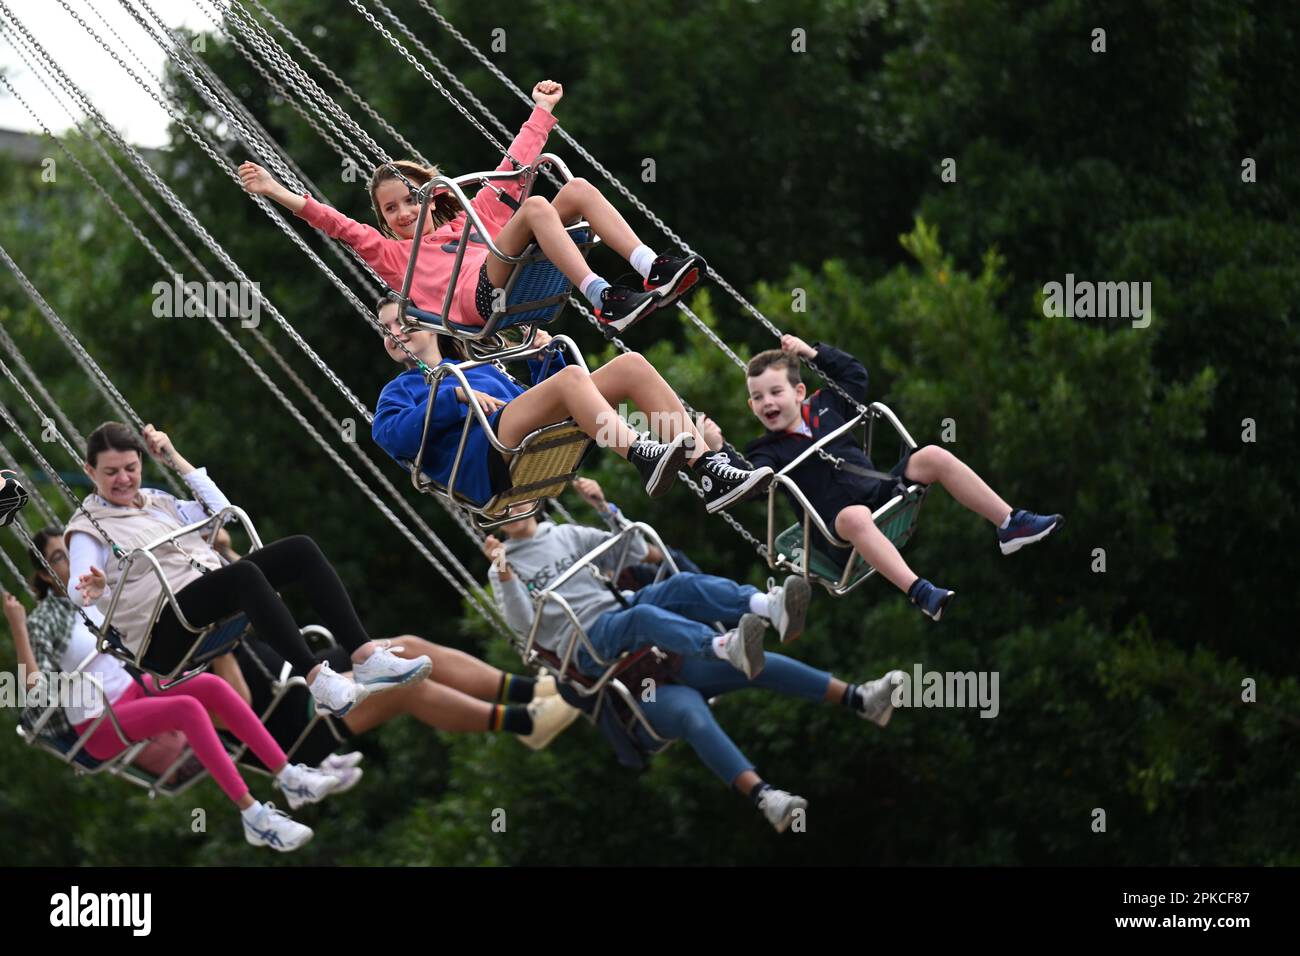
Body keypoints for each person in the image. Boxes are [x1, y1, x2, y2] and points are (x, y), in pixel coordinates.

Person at [483, 510, 904, 832]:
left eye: (516, 499)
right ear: (492, 518)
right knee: (689, 712)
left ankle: (843, 682)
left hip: (658, 647)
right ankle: (765, 797)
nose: (513, 510)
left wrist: (608, 512)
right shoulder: (507, 564)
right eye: (501, 508)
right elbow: (522, 625)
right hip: (617, 668)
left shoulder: (566, 534)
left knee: (687, 596)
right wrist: (502, 574)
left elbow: (629, 549)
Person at [239, 80, 703, 336]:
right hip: (476, 300)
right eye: (391, 210)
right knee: (539, 208)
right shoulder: (392, 256)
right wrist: (277, 191)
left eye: (411, 200)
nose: (403, 213)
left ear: (434, 197)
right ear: (382, 221)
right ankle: (603, 298)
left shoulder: (470, 216)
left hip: (510, 267)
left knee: (575, 188)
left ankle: (650, 266)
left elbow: (515, 168)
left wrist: (540, 111)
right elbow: (334, 224)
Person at [4, 527, 344, 852]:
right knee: (187, 709)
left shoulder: (95, 593)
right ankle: (253, 815)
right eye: (62, 556)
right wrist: (19, 627)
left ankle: (288, 776)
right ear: (47, 574)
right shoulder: (45, 620)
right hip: (97, 719)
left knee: (210, 686)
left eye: (74, 551)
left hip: (133, 688)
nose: (74, 560)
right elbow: (35, 689)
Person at [65, 421, 429, 717]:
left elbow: (221, 510)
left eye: (131, 468)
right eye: (111, 472)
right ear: (89, 471)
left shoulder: (158, 502)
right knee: (243, 575)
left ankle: (364, 656)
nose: (124, 480)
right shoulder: (89, 526)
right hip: (163, 628)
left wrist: (174, 457)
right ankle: (318, 679)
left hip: (202, 593)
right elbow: (79, 585)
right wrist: (93, 589)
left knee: (300, 549)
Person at [741, 334, 1064, 621]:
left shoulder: (827, 405)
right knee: (856, 516)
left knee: (932, 455)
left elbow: (855, 375)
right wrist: (714, 449)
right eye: (758, 398)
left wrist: (814, 354)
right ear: (751, 406)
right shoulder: (767, 450)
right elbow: (748, 482)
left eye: (775, 392)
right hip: (838, 529)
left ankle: (1009, 523)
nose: (767, 402)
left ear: (799, 392)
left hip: (878, 491)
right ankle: (920, 591)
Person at [371, 300, 772, 513]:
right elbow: (391, 436)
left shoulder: (475, 365)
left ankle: (707, 470)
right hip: (487, 457)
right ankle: (639, 452)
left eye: (401, 319)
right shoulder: (399, 391)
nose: (395, 331)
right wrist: (452, 396)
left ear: (426, 320)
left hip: (522, 434)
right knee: (570, 381)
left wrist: (542, 359)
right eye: (385, 327)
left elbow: (550, 396)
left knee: (630, 366)